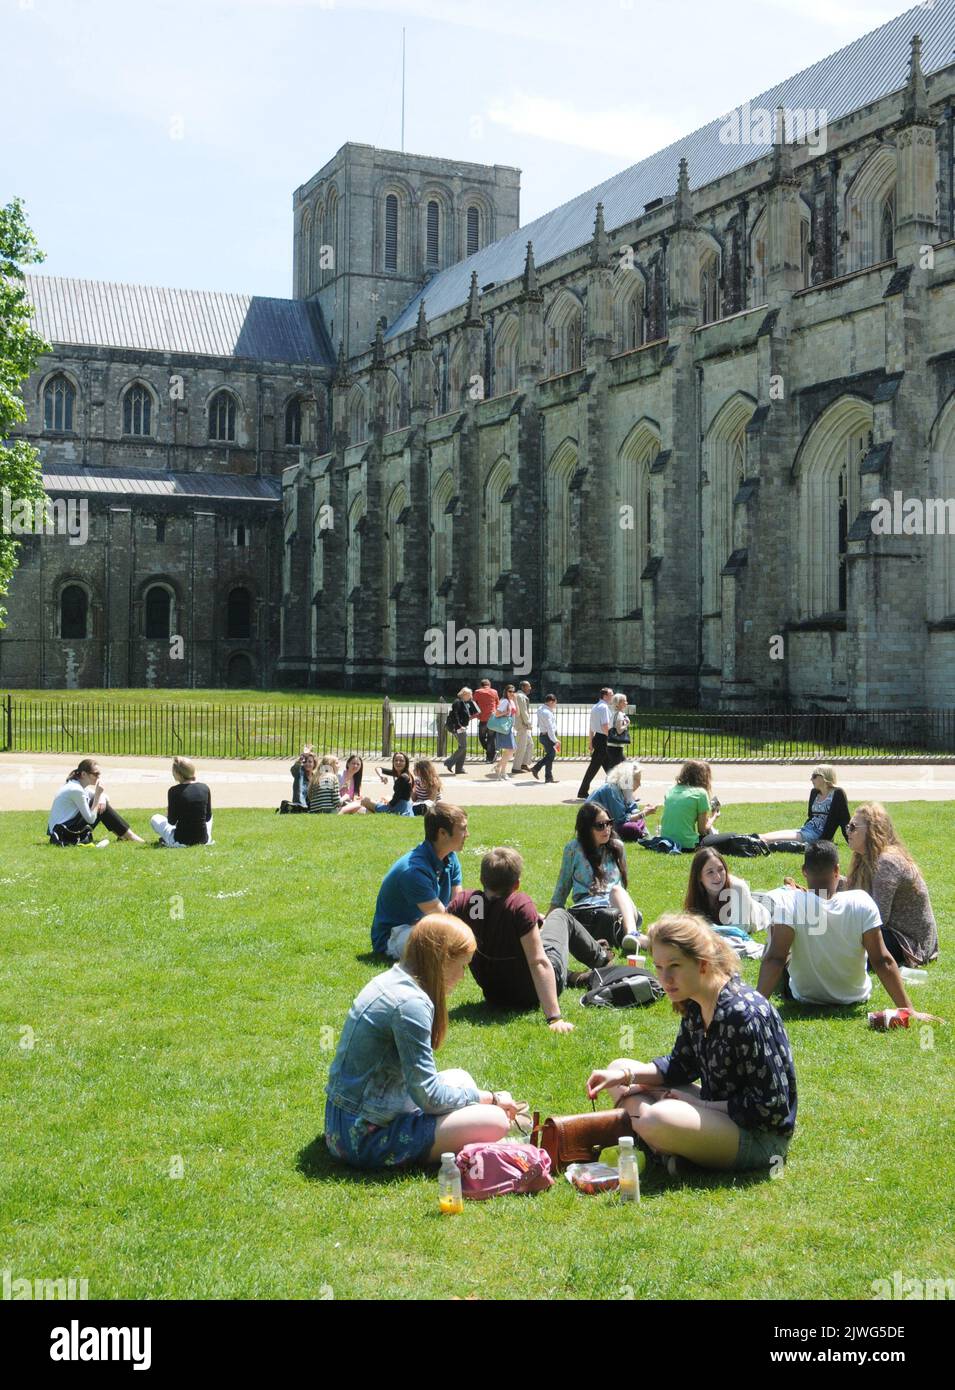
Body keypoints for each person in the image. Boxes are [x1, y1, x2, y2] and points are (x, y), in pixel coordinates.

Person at [587, 913, 797, 1174]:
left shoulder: (744, 1014)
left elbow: (771, 1108)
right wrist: (625, 1075)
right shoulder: (696, 1002)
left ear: (703, 964)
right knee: (619, 1067)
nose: (665, 979)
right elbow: (680, 1066)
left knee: (658, 1117)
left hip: (759, 1137)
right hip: (715, 1114)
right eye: (659, 967)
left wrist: (700, 1105)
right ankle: (670, 1147)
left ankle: (659, 1142)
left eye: (674, 966)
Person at [325, 914, 524, 1170]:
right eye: (462, 966)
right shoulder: (411, 1005)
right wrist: (490, 1098)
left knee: (461, 1078)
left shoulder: (391, 980)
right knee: (495, 1121)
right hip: (361, 1137)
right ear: (441, 960)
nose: (463, 976)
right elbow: (429, 1096)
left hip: (341, 1121)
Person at [756, 841, 916, 1010]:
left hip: (805, 996)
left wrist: (755, 1009)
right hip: (854, 996)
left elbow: (775, 959)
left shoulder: (790, 903)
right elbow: (882, 960)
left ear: (804, 871)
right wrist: (908, 1009)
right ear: (837, 870)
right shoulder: (862, 902)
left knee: (779, 942)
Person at [450, 848, 576, 1031]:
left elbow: (438, 930)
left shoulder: (464, 902)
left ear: (482, 879)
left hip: (495, 994)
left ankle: (582, 973)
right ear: (516, 884)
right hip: (531, 993)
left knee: (543, 926)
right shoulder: (520, 905)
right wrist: (554, 1018)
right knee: (560, 915)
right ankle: (600, 958)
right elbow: (538, 961)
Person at [845, 804, 939, 967]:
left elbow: (877, 918)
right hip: (890, 933)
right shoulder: (865, 858)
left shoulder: (888, 862)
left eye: (853, 827)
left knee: (844, 941)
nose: (847, 831)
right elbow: (852, 893)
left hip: (908, 942)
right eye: (848, 826)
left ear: (873, 831)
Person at [371, 804, 468, 959]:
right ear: (442, 833)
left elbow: (457, 905)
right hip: (395, 935)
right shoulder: (413, 871)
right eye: (463, 829)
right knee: (443, 942)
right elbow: (442, 916)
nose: (467, 834)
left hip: (427, 925)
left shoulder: (450, 857)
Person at [546, 799, 642, 954]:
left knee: (617, 890)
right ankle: (637, 939)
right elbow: (562, 888)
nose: (607, 829)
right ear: (586, 828)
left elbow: (623, 889)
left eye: (609, 823)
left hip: (617, 907)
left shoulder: (617, 847)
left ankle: (632, 934)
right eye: (600, 825)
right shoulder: (573, 849)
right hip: (587, 910)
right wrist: (549, 921)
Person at [684, 847, 769, 957]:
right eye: (710, 872)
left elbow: (737, 931)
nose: (718, 877)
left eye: (720, 869)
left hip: (766, 909)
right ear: (699, 877)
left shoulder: (737, 888)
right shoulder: (697, 893)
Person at [47, 758, 144, 845]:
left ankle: (123, 835)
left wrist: (100, 798)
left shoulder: (78, 785)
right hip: (64, 833)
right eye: (95, 774)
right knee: (98, 804)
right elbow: (91, 819)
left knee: (100, 804)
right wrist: (98, 797)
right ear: (84, 774)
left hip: (63, 830)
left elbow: (105, 797)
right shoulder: (76, 790)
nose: (98, 777)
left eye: (99, 774)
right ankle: (130, 836)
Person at [758, 766, 850, 847]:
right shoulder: (814, 792)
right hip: (806, 830)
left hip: (817, 835)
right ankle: (751, 838)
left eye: (814, 776)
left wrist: (851, 840)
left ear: (824, 777)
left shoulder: (837, 793)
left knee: (769, 840)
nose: (811, 779)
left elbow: (844, 819)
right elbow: (811, 816)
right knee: (766, 836)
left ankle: (752, 843)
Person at [587, 760, 659, 842]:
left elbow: (631, 808)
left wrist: (641, 813)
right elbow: (620, 820)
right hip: (595, 826)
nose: (639, 784)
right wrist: (643, 813)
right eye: (637, 780)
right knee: (632, 828)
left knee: (637, 821)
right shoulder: (611, 790)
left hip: (608, 824)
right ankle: (640, 832)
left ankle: (641, 832)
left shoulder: (621, 790)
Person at [150, 757, 213, 847]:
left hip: (181, 840)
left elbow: (171, 821)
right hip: (203, 839)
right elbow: (208, 817)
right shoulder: (204, 788)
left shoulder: (173, 791)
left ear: (178, 774)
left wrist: (169, 813)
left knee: (155, 818)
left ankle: (168, 841)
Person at [659, 760, 719, 851]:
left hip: (665, 841)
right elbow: (702, 830)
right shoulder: (701, 793)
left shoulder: (670, 790)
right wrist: (714, 816)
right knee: (726, 837)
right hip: (687, 844)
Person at [576, 687, 614, 799]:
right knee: (595, 768)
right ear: (605, 696)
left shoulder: (595, 707)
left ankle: (621, 791)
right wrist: (613, 738)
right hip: (603, 739)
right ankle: (582, 791)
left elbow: (591, 727)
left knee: (610, 768)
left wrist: (591, 741)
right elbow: (605, 726)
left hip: (598, 738)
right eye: (611, 694)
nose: (613, 696)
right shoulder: (604, 708)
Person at [361, 751, 414, 815]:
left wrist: (388, 803)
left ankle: (371, 813)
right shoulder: (402, 773)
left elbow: (396, 797)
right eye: (396, 760)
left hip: (398, 808)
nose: (398, 762)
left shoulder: (403, 777)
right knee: (383, 798)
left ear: (406, 763)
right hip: (403, 806)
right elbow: (378, 768)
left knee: (365, 800)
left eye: (401, 761)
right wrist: (381, 776)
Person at [443, 687, 479, 775]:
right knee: (463, 747)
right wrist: (460, 726)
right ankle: (449, 762)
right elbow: (455, 715)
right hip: (458, 727)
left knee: (463, 748)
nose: (471, 696)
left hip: (461, 727)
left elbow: (471, 713)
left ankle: (459, 768)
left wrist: (472, 704)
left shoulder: (464, 702)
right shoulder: (458, 702)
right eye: (470, 694)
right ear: (464, 694)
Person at [489, 684, 519, 781]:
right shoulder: (504, 701)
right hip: (503, 728)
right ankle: (500, 769)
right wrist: (505, 713)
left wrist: (515, 701)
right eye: (510, 691)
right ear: (505, 692)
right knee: (512, 749)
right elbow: (497, 714)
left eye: (513, 691)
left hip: (508, 728)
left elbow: (517, 713)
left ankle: (500, 769)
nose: (512, 693)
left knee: (510, 750)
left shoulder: (511, 701)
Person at [530, 693, 560, 784]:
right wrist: (555, 740)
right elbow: (550, 728)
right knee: (550, 756)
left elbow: (539, 724)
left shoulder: (540, 709)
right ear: (551, 702)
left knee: (550, 756)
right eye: (555, 703)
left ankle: (548, 777)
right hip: (548, 736)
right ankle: (536, 768)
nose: (555, 705)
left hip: (544, 735)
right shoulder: (547, 713)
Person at [279, 747, 316, 814]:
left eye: (310, 762)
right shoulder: (299, 774)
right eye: (305, 762)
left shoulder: (315, 777)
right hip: (299, 804)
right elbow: (294, 769)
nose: (307, 764)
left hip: (310, 805)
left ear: (314, 764)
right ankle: (301, 806)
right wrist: (300, 759)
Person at [472, 678, 499, 764]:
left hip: (483, 718)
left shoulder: (477, 692)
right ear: (489, 685)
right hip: (492, 718)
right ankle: (492, 754)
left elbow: (473, 703)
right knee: (491, 738)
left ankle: (490, 755)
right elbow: (497, 703)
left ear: (481, 685)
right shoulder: (494, 692)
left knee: (481, 737)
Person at [605, 693, 631, 771]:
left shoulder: (616, 713)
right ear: (619, 703)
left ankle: (613, 782)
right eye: (625, 701)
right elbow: (619, 731)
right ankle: (611, 782)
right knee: (616, 769)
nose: (626, 703)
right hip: (615, 746)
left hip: (614, 745)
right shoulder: (619, 714)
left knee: (616, 768)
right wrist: (627, 724)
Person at [513, 680, 535, 772]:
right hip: (523, 725)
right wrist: (528, 723)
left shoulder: (521, 696)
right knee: (521, 746)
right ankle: (516, 767)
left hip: (523, 724)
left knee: (530, 744)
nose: (530, 688)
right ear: (523, 687)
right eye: (528, 686)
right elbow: (523, 711)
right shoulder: (520, 696)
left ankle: (524, 764)